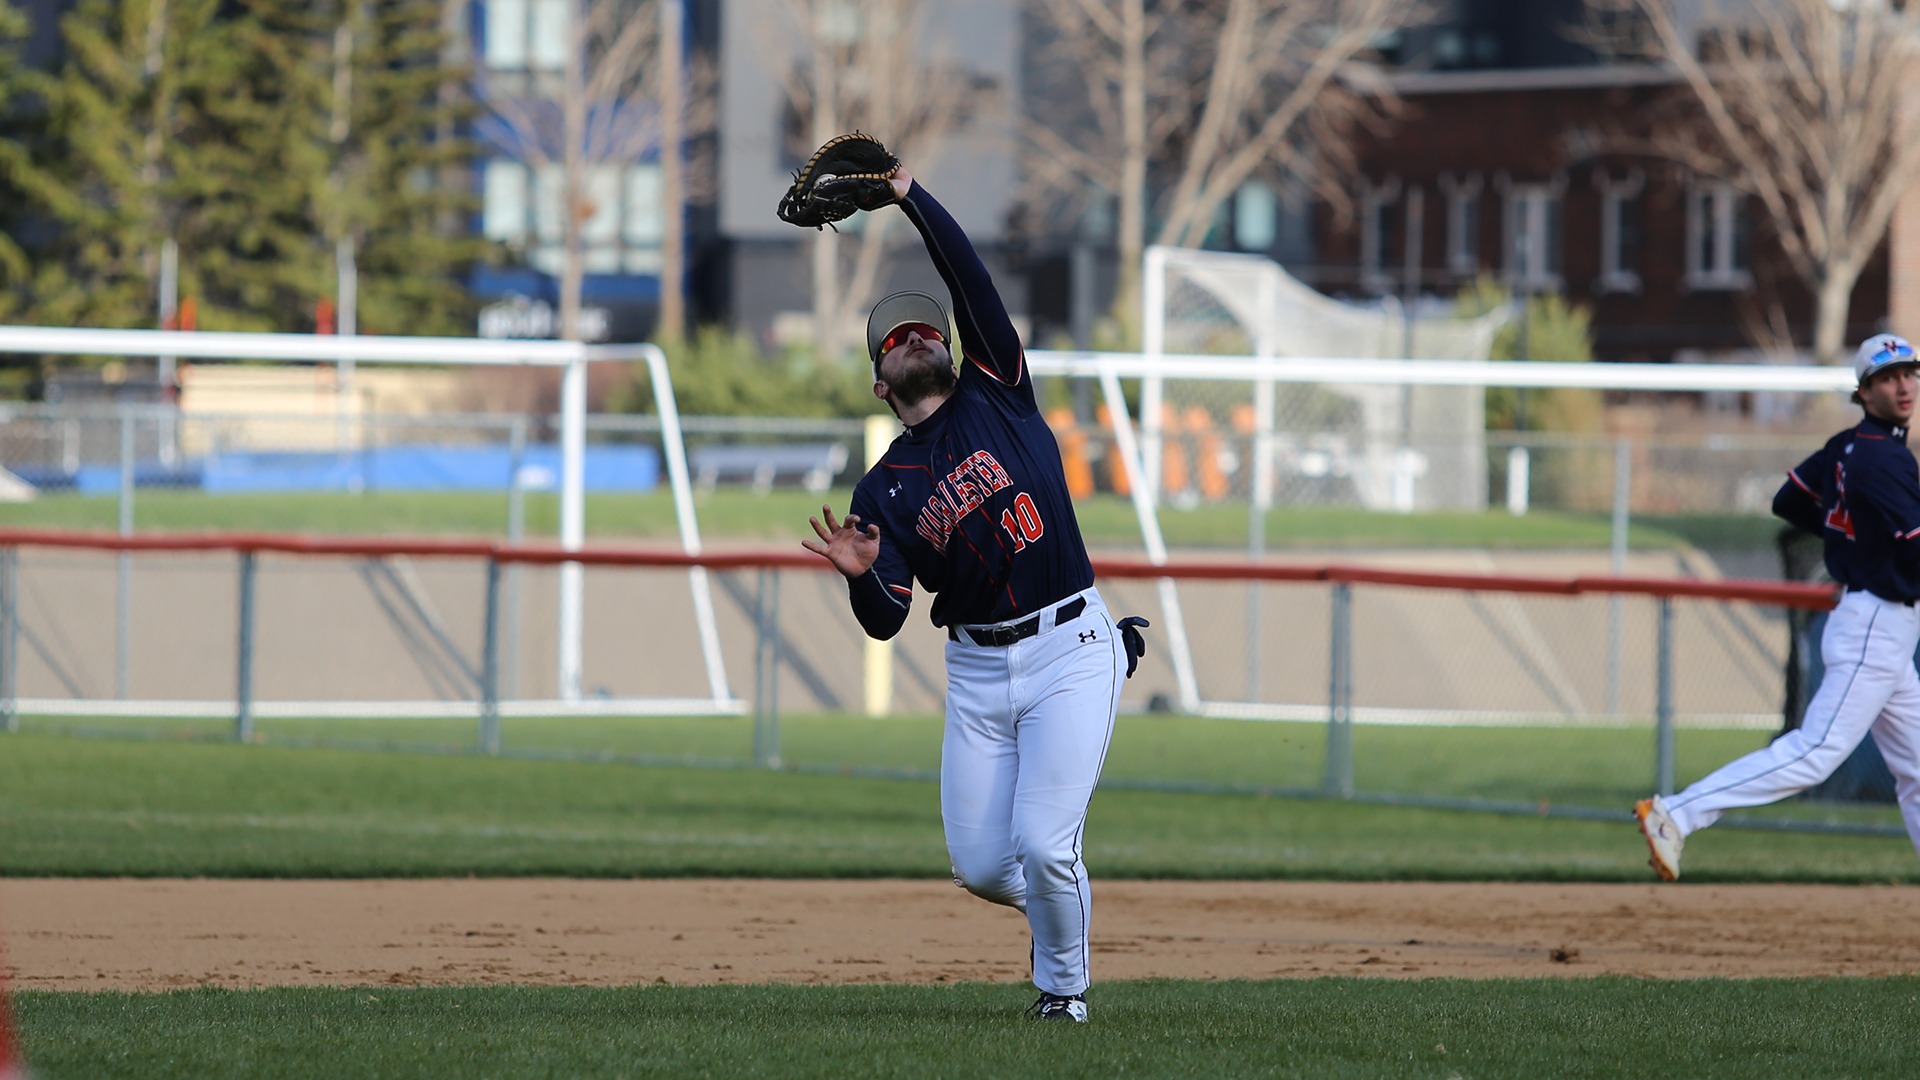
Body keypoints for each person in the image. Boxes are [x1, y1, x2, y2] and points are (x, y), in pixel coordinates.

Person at [800, 163, 1143, 1021]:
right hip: (979, 674)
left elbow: (968, 276)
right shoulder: (883, 489)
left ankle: (1063, 993)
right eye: (895, 340)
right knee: (985, 868)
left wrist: (908, 194)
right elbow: (887, 620)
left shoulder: (999, 390)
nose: (916, 337)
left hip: (1067, 646)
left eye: (926, 330)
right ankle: (1065, 907)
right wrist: (860, 580)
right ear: (880, 384)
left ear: (952, 349)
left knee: (1045, 845)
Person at [1636, 332, 1920, 879]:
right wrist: (1860, 546)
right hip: (1876, 628)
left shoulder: (1847, 446)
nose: (1903, 385)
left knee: (1917, 771)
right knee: (1814, 753)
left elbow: (1788, 499)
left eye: (1909, 372)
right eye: (1887, 377)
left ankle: (1678, 812)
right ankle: (1677, 813)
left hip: (1876, 626)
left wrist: (1851, 543)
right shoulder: (1885, 459)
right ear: (1864, 392)